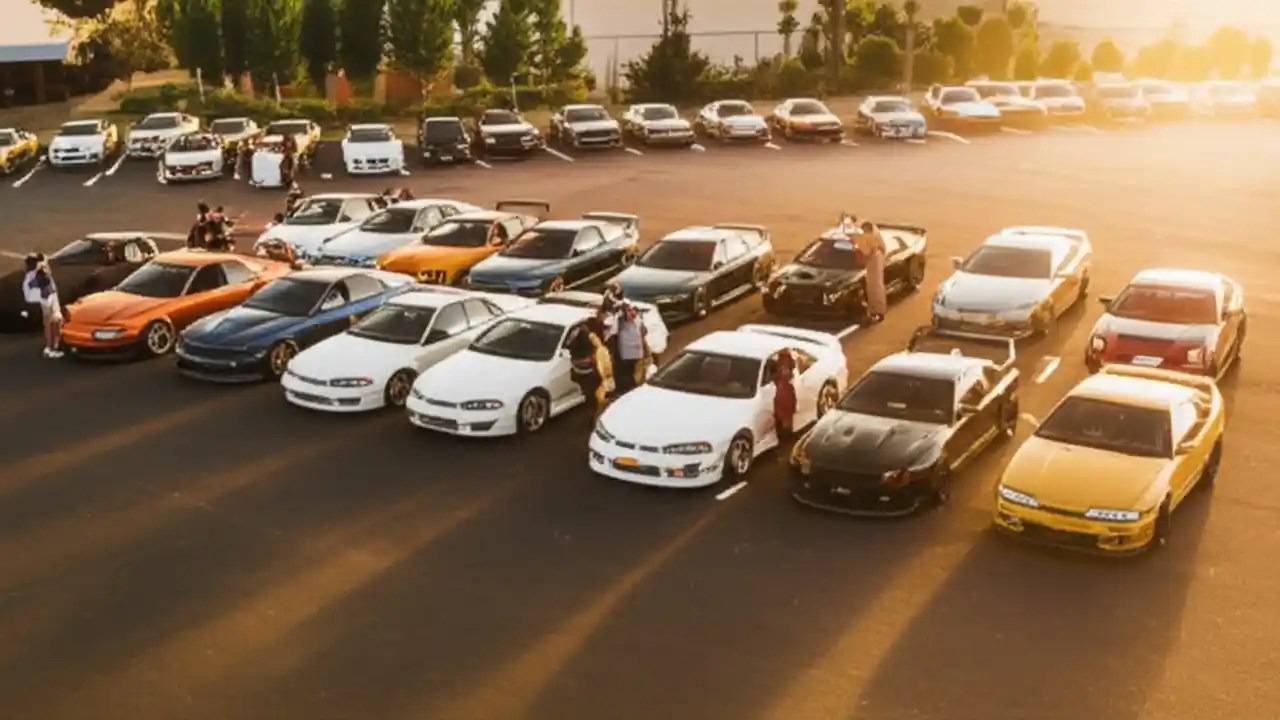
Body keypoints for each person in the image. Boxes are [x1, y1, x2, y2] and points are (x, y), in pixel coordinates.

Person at [566, 318, 614, 421]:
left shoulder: (575, 335)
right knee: (593, 397)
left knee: (589, 396)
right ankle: (596, 417)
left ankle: (592, 413)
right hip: (590, 372)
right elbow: (599, 354)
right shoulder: (590, 338)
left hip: (581, 370)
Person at [614, 303, 650, 394]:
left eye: (634, 310)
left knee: (636, 375)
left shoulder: (638, 321)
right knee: (626, 376)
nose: (632, 313)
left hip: (637, 354)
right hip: (626, 355)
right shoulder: (621, 322)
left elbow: (644, 332)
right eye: (629, 311)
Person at [857, 220, 888, 322]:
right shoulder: (874, 236)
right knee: (873, 286)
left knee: (875, 286)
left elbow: (867, 251)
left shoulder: (870, 240)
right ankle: (876, 311)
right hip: (874, 259)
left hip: (874, 260)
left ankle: (877, 312)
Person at [34, 261, 63, 358]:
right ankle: (51, 348)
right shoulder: (46, 285)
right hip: (51, 308)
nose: (48, 269)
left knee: (52, 325)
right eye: (46, 268)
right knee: (51, 326)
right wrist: (52, 313)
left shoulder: (47, 281)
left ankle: (52, 347)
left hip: (51, 307)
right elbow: (48, 302)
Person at [772, 350, 797, 440]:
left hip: (783, 398)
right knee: (784, 418)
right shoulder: (787, 379)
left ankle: (784, 434)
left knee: (783, 418)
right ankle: (784, 434)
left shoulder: (783, 376)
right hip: (783, 398)